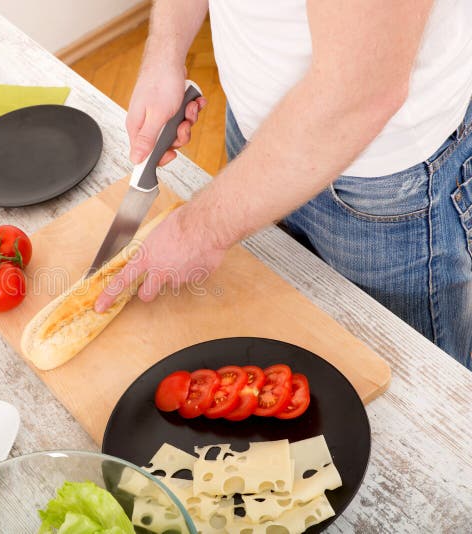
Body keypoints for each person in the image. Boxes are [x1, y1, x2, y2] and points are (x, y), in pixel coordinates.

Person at [93, 0, 472, 370]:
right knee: (297, 337)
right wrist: (165, 55)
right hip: (256, 144)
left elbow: (361, 93)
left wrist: (199, 230)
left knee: (414, 381)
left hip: (384, 188)